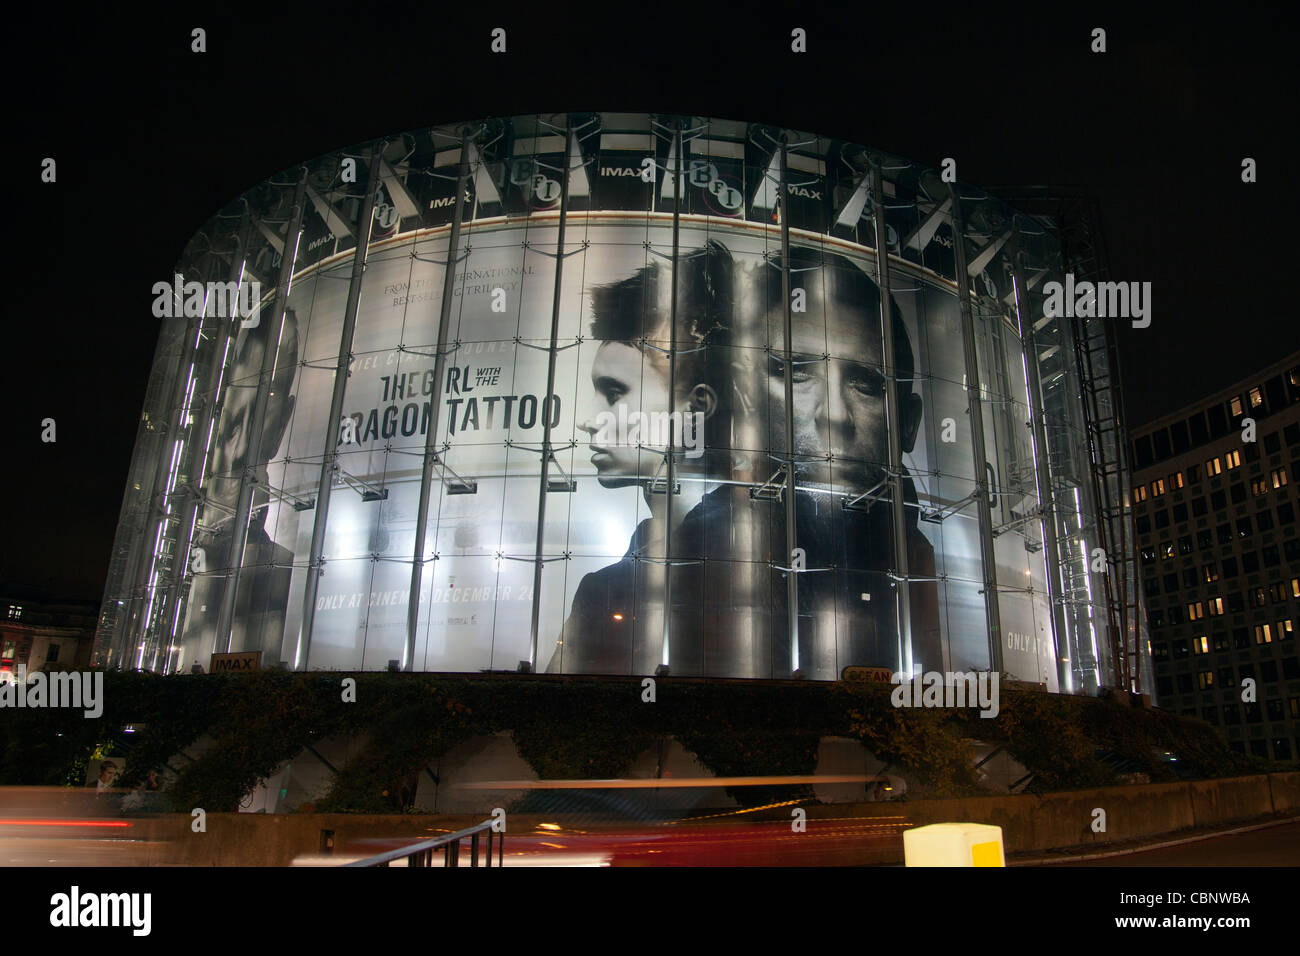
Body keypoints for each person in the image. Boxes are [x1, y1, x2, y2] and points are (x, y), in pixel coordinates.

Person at [672, 246, 943, 679]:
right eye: (796, 372)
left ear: (907, 423)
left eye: (865, 384)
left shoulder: (917, 555)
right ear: (748, 399)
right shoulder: (701, 546)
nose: (834, 415)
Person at [545, 241, 735, 675]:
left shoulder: (733, 555)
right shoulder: (621, 576)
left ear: (695, 405)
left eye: (614, 393)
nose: (587, 422)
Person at [181, 308, 300, 669]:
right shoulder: (190, 557)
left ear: (282, 422)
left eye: (269, 398)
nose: (243, 430)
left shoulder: (281, 572)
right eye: (238, 409)